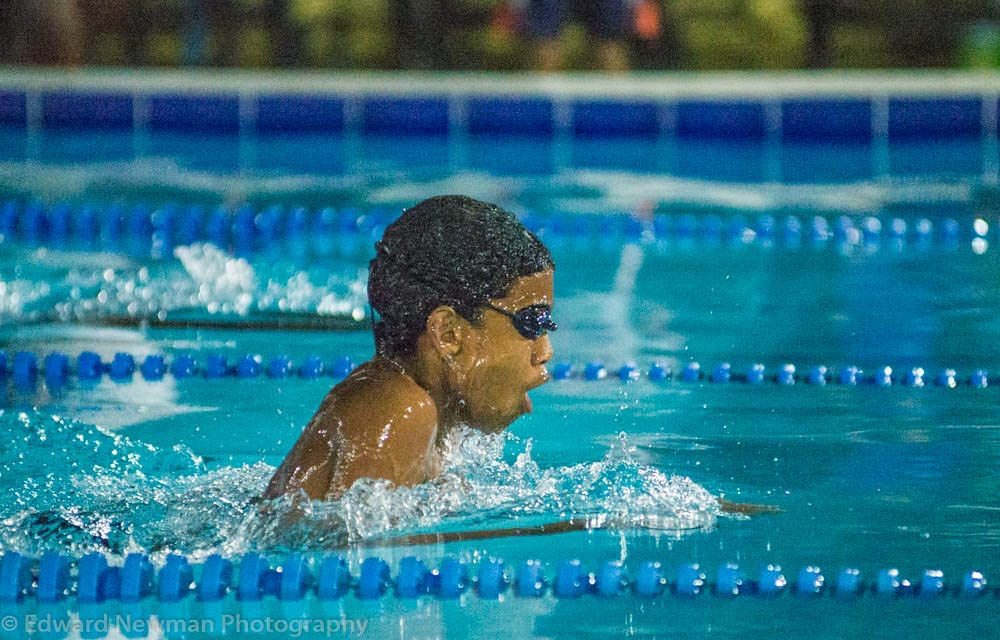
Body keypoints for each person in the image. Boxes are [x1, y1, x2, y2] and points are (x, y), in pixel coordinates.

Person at [265, 195, 774, 544]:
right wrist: (575, 523)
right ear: (449, 334)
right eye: (531, 323)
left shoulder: (411, 408)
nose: (545, 351)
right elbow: (357, 561)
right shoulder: (401, 409)